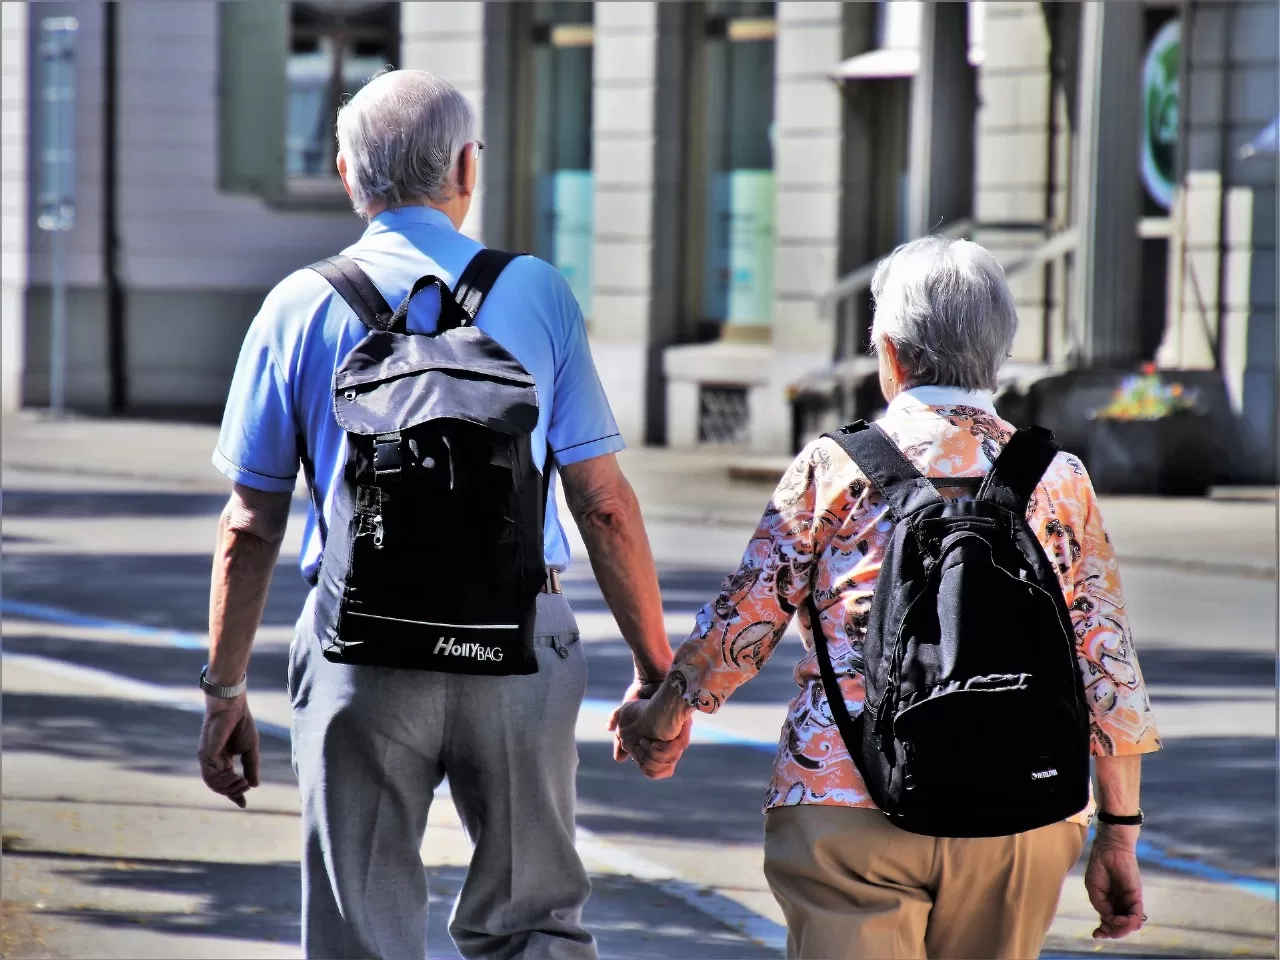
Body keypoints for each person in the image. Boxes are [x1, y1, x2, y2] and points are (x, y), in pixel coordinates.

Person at [196, 69, 684, 959]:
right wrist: (659, 674)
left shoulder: (296, 306)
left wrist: (225, 691)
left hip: (361, 651)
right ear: (467, 167)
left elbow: (251, 526)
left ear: (348, 173)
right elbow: (603, 504)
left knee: (360, 931)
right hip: (520, 644)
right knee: (533, 920)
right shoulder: (537, 293)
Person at [614, 236, 1162, 959]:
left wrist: (663, 713)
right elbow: (1107, 665)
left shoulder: (834, 467)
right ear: (998, 354)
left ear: (892, 354)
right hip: (1021, 812)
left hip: (847, 800)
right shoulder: (1058, 478)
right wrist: (1118, 831)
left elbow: (741, 625)